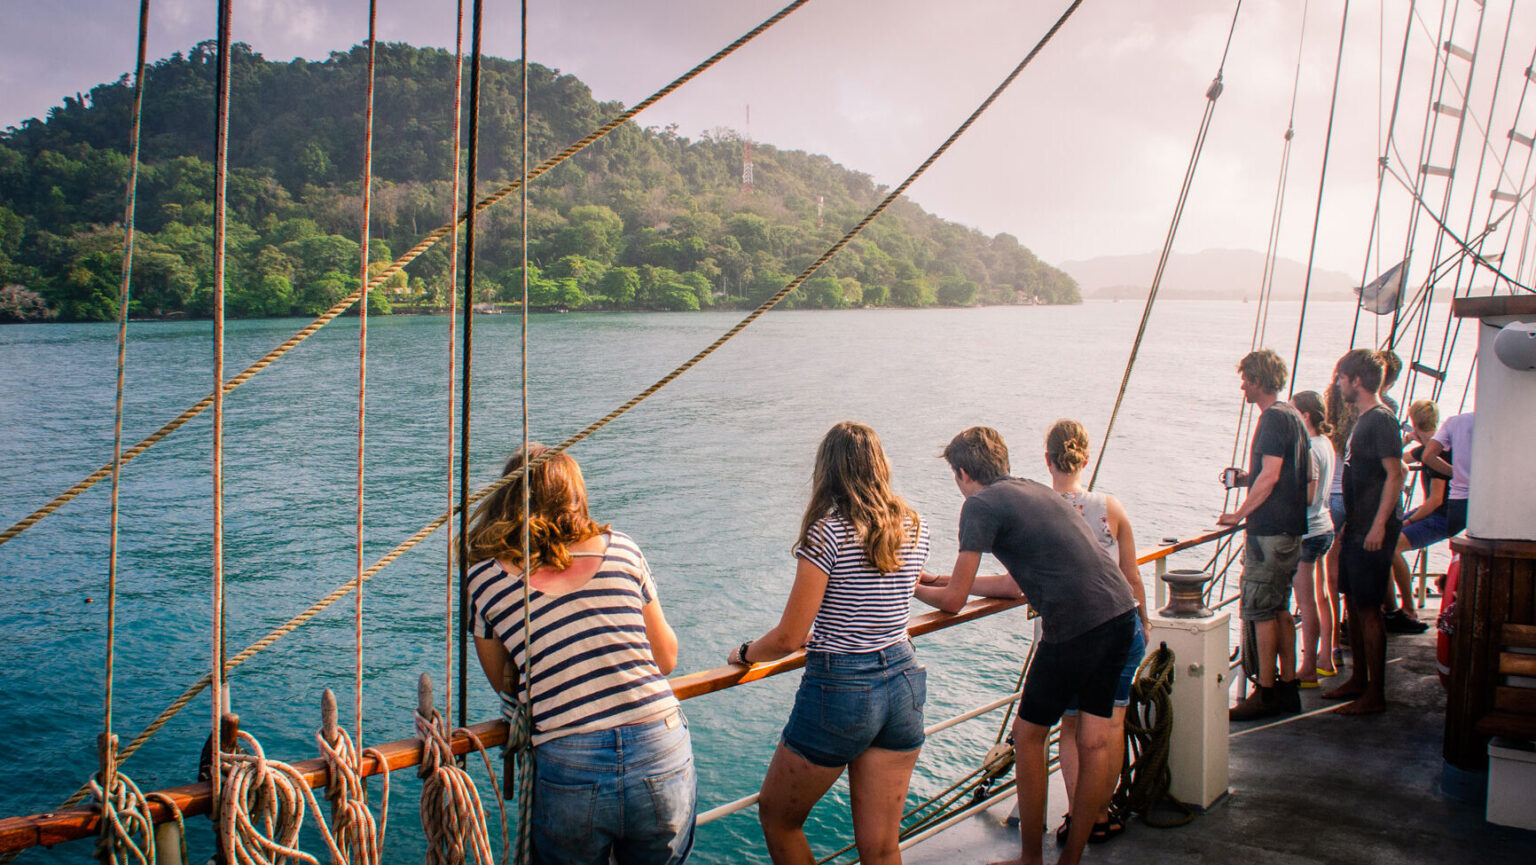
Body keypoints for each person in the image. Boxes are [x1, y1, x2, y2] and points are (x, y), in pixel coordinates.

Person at [915, 427, 1137, 865]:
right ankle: (1070, 859)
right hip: (1120, 615)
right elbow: (1015, 587)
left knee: (1028, 735)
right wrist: (942, 579)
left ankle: (1031, 858)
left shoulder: (978, 505)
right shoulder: (1034, 490)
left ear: (962, 473)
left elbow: (955, 602)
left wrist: (912, 586)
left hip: (1076, 627)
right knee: (1093, 742)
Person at [465, 444, 694, 865]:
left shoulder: (483, 578)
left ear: (508, 499)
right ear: (576, 497)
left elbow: (503, 682)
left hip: (571, 760)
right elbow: (665, 659)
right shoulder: (623, 549)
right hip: (659, 745)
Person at [728, 422, 930, 865]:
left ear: (828, 470)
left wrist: (744, 654)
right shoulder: (913, 526)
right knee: (880, 847)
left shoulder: (828, 532)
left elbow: (790, 637)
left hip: (843, 690)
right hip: (904, 681)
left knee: (778, 817)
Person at [1043, 420, 1148, 847]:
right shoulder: (1111, 508)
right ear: (1086, 459)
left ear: (1048, 459)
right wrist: (1146, 624)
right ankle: (1102, 814)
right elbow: (1132, 576)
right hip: (1121, 629)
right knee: (1109, 725)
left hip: (1068, 635)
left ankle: (1077, 817)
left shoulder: (1042, 511)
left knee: (1070, 728)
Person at [1217, 349, 1310, 720]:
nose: (1242, 385)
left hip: (1269, 534)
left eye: (1246, 379)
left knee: (1259, 611)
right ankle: (1287, 685)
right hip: (1290, 531)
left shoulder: (1271, 420)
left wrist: (1239, 513)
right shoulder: (1294, 417)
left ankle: (1266, 692)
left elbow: (1271, 476)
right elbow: (1284, 475)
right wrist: (1245, 479)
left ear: (1257, 380)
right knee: (1280, 608)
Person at [1323, 350, 1407, 715]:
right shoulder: (1364, 421)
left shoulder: (1380, 421)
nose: (1339, 383)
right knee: (1354, 604)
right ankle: (1358, 679)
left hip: (1374, 528)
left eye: (1342, 377)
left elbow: (1396, 473)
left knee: (1369, 607)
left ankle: (1375, 693)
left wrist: (1377, 526)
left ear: (1356, 381)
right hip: (1359, 526)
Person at [1386, 400, 1448, 633]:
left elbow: (1436, 500)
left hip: (1442, 515)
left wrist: (1409, 521)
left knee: (1391, 545)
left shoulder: (1438, 452)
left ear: (1413, 421)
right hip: (1437, 511)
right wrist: (1407, 440)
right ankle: (1391, 603)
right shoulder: (1430, 446)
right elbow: (1400, 460)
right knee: (1388, 536)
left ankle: (1409, 609)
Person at [1289, 390, 1335, 685]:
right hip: (1325, 526)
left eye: (1294, 412)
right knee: (1322, 596)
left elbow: (1307, 496)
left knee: (1305, 602)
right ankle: (1325, 658)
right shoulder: (1326, 444)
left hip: (1308, 531)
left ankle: (1306, 668)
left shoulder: (1309, 449)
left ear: (1305, 415)